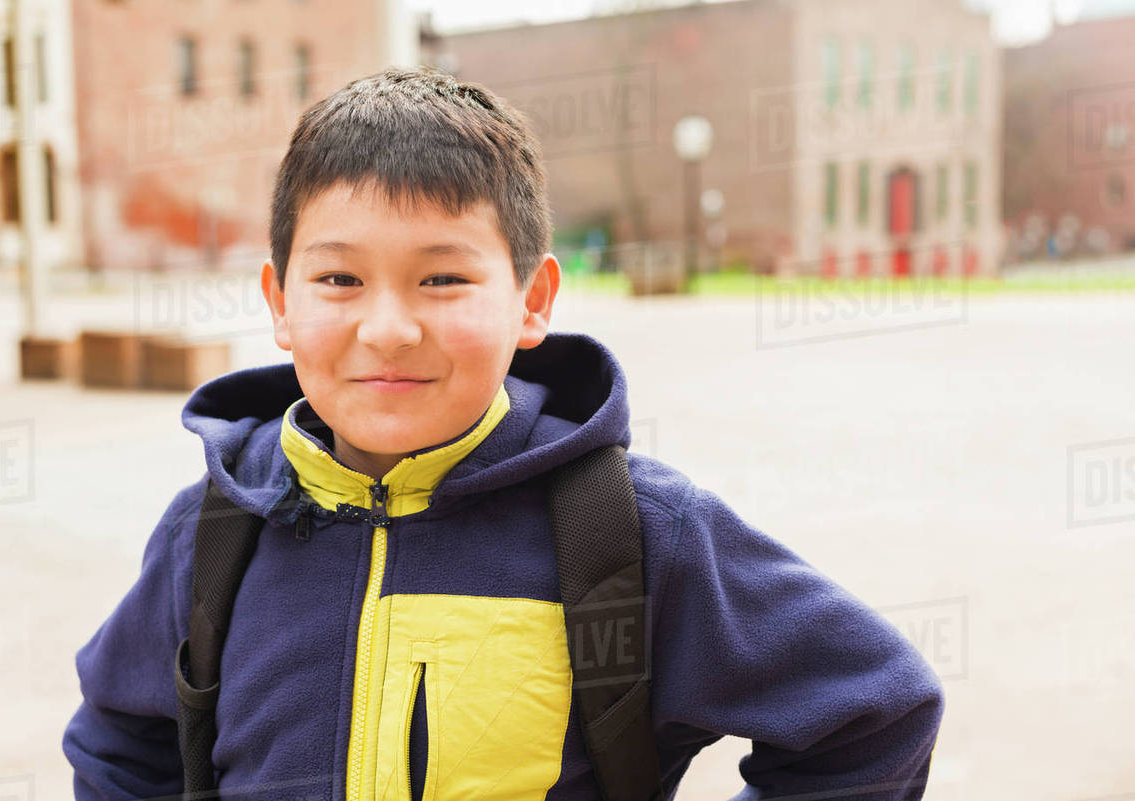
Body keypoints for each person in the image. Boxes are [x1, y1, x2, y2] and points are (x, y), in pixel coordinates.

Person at [61, 66, 944, 801]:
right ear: (278, 303)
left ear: (533, 300)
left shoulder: (632, 534)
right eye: (338, 278)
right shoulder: (213, 530)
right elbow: (120, 740)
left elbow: (874, 711)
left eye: (443, 278)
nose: (389, 328)